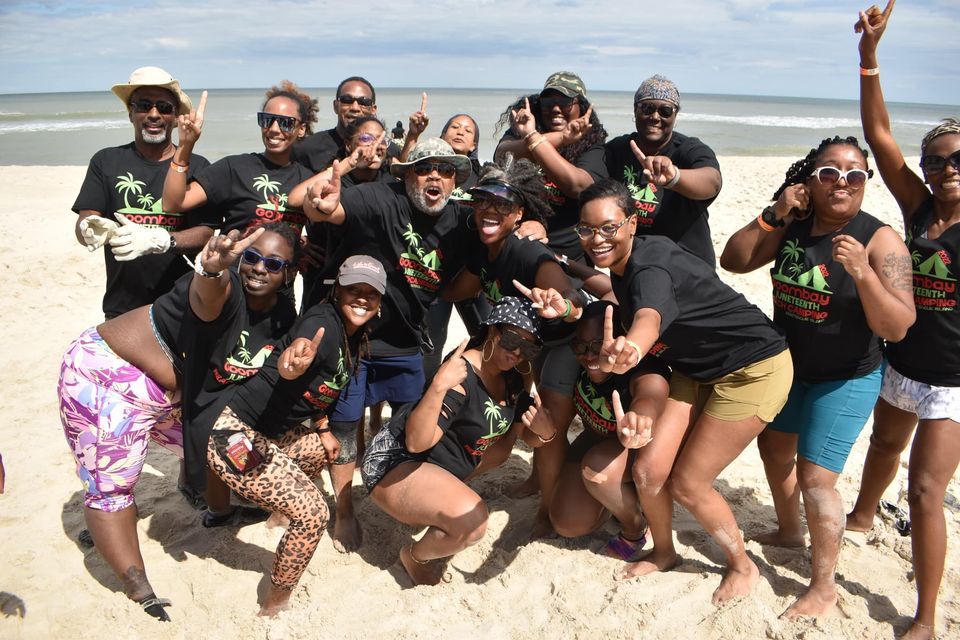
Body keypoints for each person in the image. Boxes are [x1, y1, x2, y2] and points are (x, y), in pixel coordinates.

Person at [57, 223, 297, 621]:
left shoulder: (280, 314)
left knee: (217, 440)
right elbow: (208, 298)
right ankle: (138, 588)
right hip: (108, 376)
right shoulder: (226, 287)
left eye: (273, 263)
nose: (258, 268)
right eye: (251, 258)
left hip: (176, 396)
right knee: (112, 486)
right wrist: (212, 269)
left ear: (289, 272)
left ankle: (218, 512)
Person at [720, 135, 915, 618]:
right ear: (810, 180)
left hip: (847, 375)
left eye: (855, 174)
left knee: (816, 478)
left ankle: (823, 586)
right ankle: (789, 531)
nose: (842, 182)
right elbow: (735, 260)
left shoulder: (880, 239)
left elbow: (898, 325)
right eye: (830, 172)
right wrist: (773, 212)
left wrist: (865, 274)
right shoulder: (794, 225)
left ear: (866, 183)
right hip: (789, 367)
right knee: (773, 447)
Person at [579, 179, 793, 602]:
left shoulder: (649, 266)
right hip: (695, 369)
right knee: (647, 472)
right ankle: (663, 552)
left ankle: (741, 565)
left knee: (690, 484)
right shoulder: (628, 262)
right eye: (586, 229)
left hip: (754, 367)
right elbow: (623, 295)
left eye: (608, 228)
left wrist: (633, 347)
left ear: (632, 224)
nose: (597, 239)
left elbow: (649, 315)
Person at [303, 137, 480, 553]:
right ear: (406, 176)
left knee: (412, 424)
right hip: (358, 344)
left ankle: (398, 491)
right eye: (424, 168)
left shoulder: (460, 222)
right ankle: (344, 508)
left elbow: (487, 253)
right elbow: (337, 207)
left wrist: (531, 226)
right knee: (346, 426)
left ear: (455, 181)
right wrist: (323, 206)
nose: (435, 176)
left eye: (446, 170)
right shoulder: (383, 199)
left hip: (406, 347)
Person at [844, 4, 960, 638]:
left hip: (953, 383)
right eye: (937, 159)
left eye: (959, 158)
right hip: (904, 362)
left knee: (923, 491)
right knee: (884, 445)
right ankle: (862, 515)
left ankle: (924, 617)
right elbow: (880, 137)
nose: (948, 168)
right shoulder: (916, 209)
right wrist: (869, 57)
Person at [205, 255, 385, 616]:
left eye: (371, 293)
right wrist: (291, 363)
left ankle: (277, 516)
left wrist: (322, 427)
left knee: (322, 448)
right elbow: (296, 358)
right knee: (313, 513)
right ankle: (275, 601)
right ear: (337, 291)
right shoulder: (323, 323)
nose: (362, 298)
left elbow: (316, 387)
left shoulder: (354, 334)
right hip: (231, 436)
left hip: (266, 436)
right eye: (353, 290)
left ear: (380, 300)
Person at [440, 156, 611, 537]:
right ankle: (538, 480)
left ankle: (546, 513)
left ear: (519, 213)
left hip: (567, 341)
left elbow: (570, 295)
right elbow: (455, 289)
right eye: (483, 200)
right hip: (528, 345)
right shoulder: (486, 252)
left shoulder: (526, 251)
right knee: (522, 416)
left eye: (503, 204)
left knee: (545, 423)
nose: (490, 210)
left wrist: (563, 305)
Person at [360, 297, 550, 585]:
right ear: (492, 331)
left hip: (437, 467)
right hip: (395, 463)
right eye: (512, 339)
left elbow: (530, 437)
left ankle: (442, 506)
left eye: (529, 346)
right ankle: (414, 557)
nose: (517, 352)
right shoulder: (460, 374)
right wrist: (437, 387)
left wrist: (545, 432)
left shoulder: (511, 379)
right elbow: (416, 443)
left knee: (504, 440)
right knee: (472, 523)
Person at [72, 66, 217, 319]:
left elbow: (205, 233)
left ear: (176, 117)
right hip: (122, 308)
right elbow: (85, 222)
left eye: (164, 107)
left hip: (182, 306)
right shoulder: (106, 161)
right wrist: (91, 229)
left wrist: (162, 241)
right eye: (144, 105)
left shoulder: (199, 166)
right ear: (131, 114)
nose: (153, 114)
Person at [547, 300, 670, 561]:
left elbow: (650, 394)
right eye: (580, 345)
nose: (589, 355)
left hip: (637, 450)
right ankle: (614, 501)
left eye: (598, 345)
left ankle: (634, 527)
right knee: (567, 522)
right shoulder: (577, 365)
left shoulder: (643, 370)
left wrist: (640, 418)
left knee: (597, 469)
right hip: (596, 438)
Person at [162, 80, 318, 236]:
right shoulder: (234, 168)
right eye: (267, 120)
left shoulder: (307, 180)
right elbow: (173, 204)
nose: (274, 129)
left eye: (286, 123)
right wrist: (185, 145)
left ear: (301, 129)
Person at [605, 74, 722, 265]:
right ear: (635, 110)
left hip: (687, 267)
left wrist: (674, 177)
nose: (655, 117)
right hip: (636, 267)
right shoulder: (617, 149)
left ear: (675, 116)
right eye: (647, 108)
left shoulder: (689, 149)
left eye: (665, 111)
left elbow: (712, 182)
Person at [494, 71, 608, 264]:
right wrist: (559, 137)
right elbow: (502, 155)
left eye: (565, 102)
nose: (555, 108)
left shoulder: (593, 144)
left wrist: (535, 139)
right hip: (515, 245)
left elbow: (578, 187)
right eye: (548, 103)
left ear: (581, 106)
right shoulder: (525, 128)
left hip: (567, 258)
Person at [292, 76, 399, 173]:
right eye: (347, 100)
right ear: (335, 106)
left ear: (373, 109)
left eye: (364, 102)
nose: (355, 108)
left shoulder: (388, 150)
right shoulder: (308, 149)